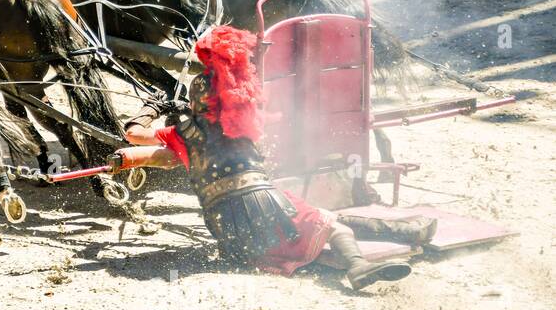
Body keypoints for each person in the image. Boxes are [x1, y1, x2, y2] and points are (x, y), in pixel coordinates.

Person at [107, 26, 432, 292]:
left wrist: (152, 106)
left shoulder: (181, 135)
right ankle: (359, 267)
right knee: (331, 226)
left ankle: (395, 238)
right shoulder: (245, 125)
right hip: (266, 204)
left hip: (226, 228)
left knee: (311, 230)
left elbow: (135, 135)